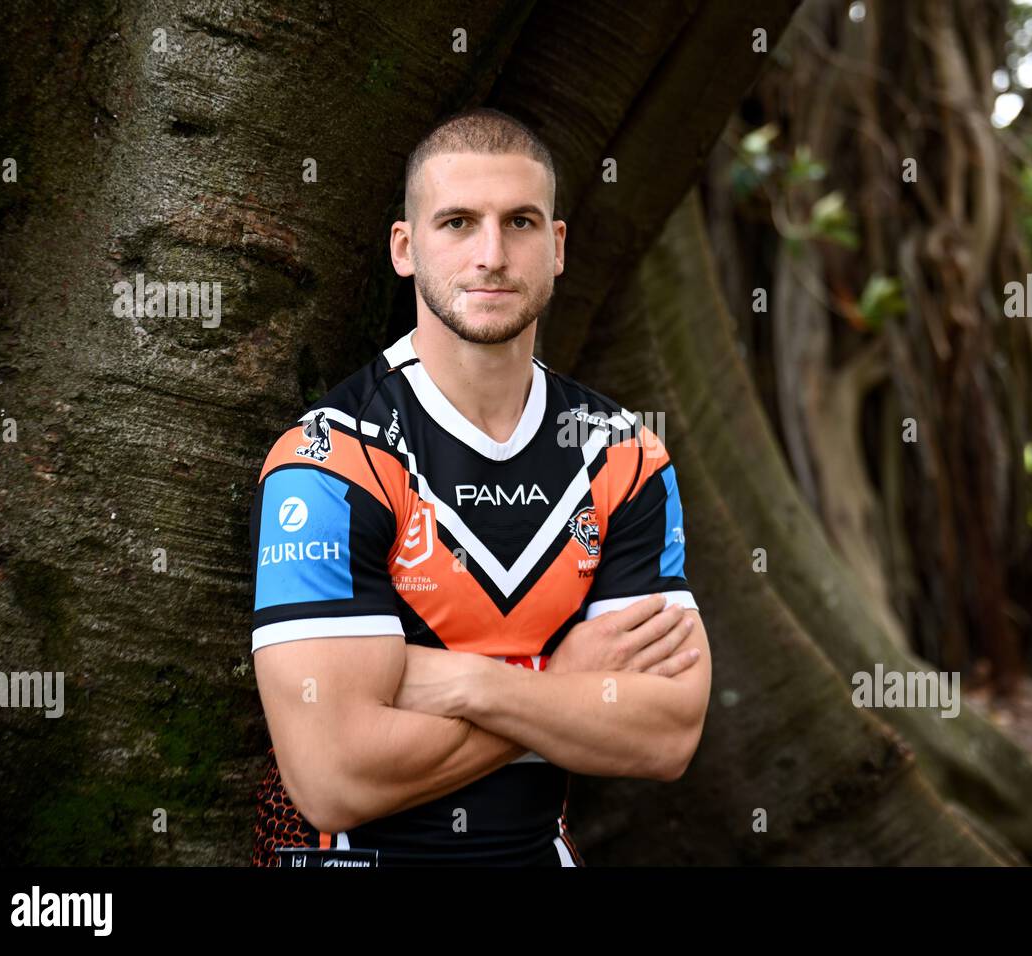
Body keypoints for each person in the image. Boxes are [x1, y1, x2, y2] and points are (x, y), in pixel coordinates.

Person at [249, 107, 711, 866]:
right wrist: (560, 682)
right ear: (406, 248)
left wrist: (467, 684)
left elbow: (666, 733)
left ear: (558, 248)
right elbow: (331, 777)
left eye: (521, 222)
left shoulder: (621, 456)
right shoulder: (331, 459)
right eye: (458, 222)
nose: (492, 255)